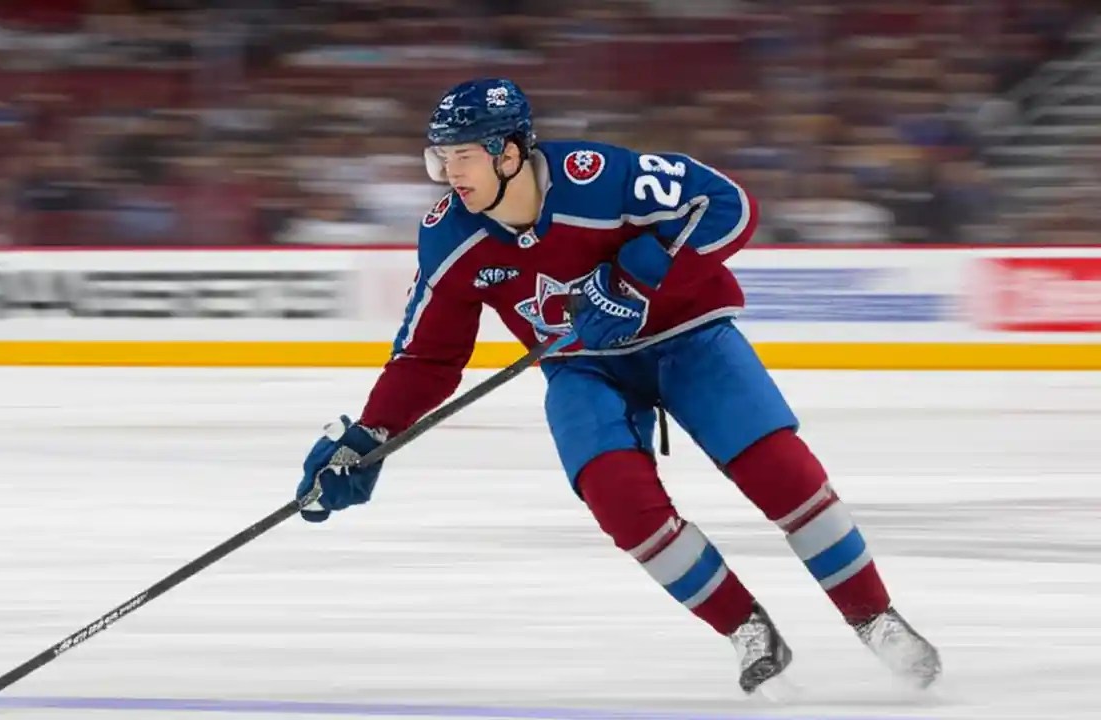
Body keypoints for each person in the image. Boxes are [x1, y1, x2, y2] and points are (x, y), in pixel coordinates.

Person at [295, 78, 941, 694]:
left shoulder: (599, 178)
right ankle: (746, 629)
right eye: (441, 158)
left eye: (463, 156)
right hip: (582, 366)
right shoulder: (449, 237)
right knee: (617, 500)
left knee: (780, 472)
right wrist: (368, 434)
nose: (450, 174)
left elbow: (728, 205)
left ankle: (874, 617)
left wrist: (633, 277)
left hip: (689, 337)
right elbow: (427, 357)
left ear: (511, 153)